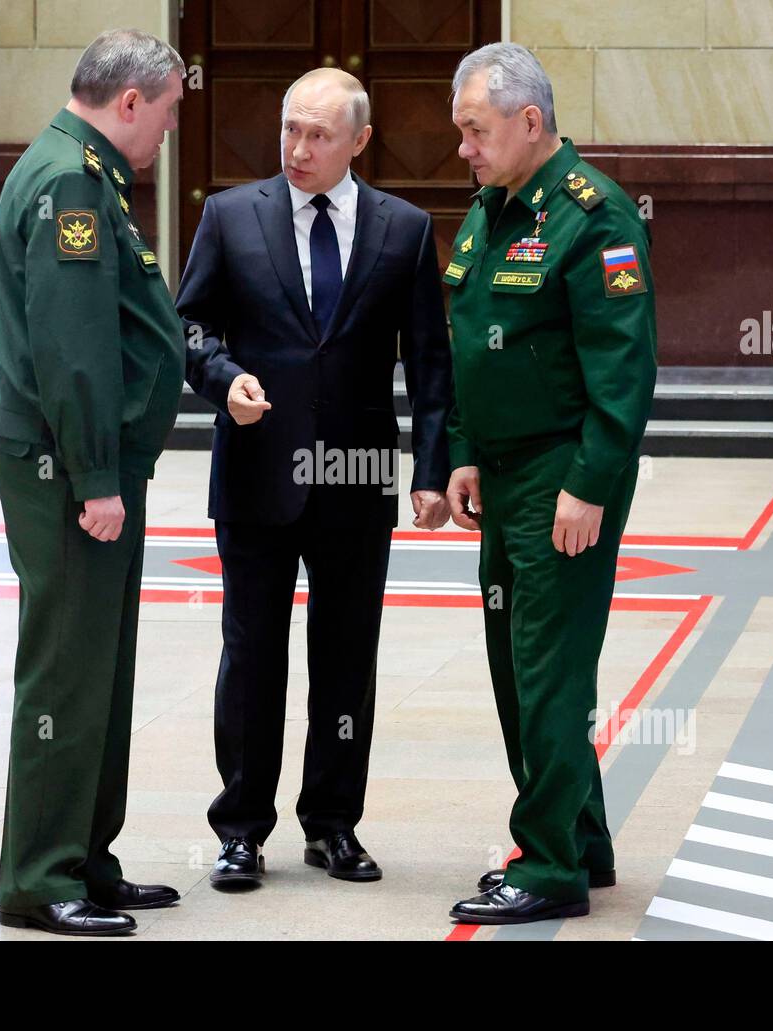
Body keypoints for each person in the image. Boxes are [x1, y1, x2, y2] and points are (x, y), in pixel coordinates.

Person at [176, 67, 453, 889]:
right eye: (290, 129)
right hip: (258, 474)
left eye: (319, 135)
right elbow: (188, 323)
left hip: (356, 478)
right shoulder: (230, 216)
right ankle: (240, 828)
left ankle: (332, 822)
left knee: (344, 658)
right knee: (251, 654)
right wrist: (224, 378)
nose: (297, 148)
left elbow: (431, 361)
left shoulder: (403, 230)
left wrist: (432, 469)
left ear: (360, 141)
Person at [442, 43, 657, 925]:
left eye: (475, 130)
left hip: (561, 475)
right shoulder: (490, 211)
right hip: (501, 472)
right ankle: (585, 837)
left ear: (531, 123)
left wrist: (590, 483)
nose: (463, 148)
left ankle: (551, 861)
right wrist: (460, 449)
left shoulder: (593, 217)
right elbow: (473, 342)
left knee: (547, 667)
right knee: (519, 665)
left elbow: (624, 370)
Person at [0, 29, 186, 937]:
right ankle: (38, 876)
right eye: (171, 112)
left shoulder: (87, 172)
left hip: (86, 464)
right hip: (67, 468)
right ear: (131, 103)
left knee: (99, 666)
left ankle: (85, 858)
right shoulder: (71, 181)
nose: (171, 133)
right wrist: (98, 474)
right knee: (66, 672)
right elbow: (71, 349)